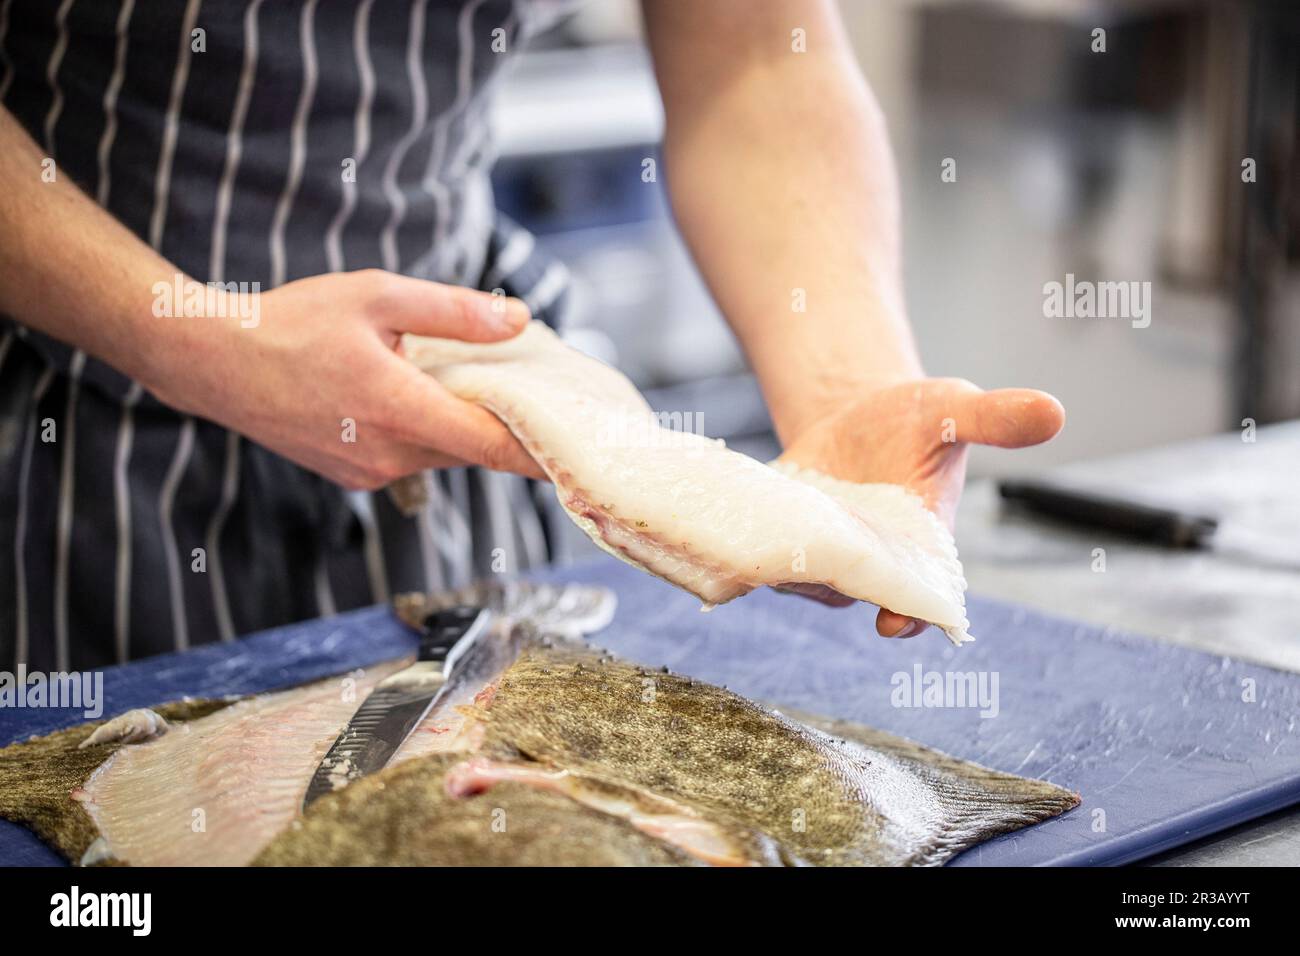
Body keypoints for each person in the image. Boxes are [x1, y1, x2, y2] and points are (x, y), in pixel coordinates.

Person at [0, 0, 1063, 671]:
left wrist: (840, 388)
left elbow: (752, 53)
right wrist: (193, 336)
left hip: (466, 425)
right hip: (74, 441)